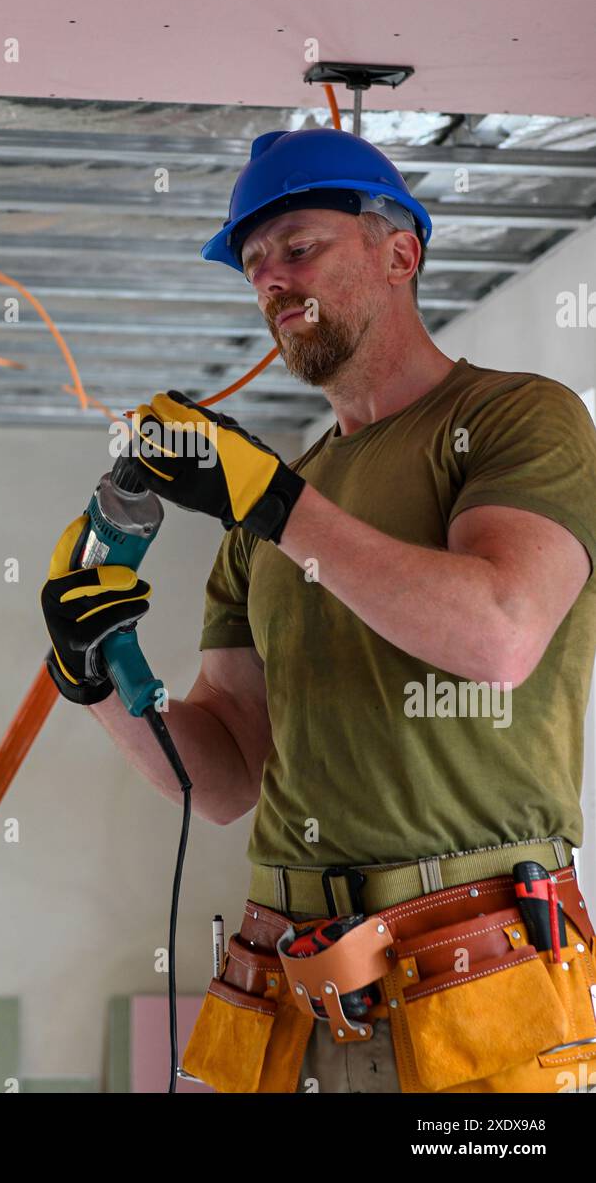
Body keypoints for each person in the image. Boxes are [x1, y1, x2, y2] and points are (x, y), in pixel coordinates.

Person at [41, 128, 596, 1093]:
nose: (272, 282)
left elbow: (501, 633)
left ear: (400, 253)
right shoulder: (270, 511)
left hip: (479, 980)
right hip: (289, 994)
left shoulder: (519, 417)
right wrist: (93, 678)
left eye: (299, 247)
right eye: (254, 266)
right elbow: (220, 779)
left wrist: (276, 507)